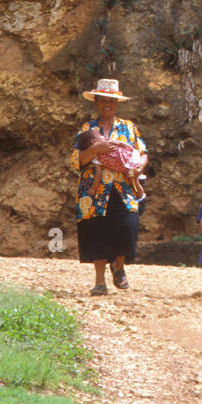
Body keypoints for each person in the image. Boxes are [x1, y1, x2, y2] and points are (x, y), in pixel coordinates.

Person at [69, 79, 148, 296]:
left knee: (127, 227)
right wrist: (98, 149)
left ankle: (119, 266)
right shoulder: (87, 129)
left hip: (125, 187)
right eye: (102, 99)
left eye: (111, 100)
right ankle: (99, 281)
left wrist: (139, 168)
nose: (107, 103)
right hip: (94, 191)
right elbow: (77, 160)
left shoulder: (129, 127)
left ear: (116, 102)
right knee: (97, 231)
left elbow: (142, 152)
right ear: (96, 102)